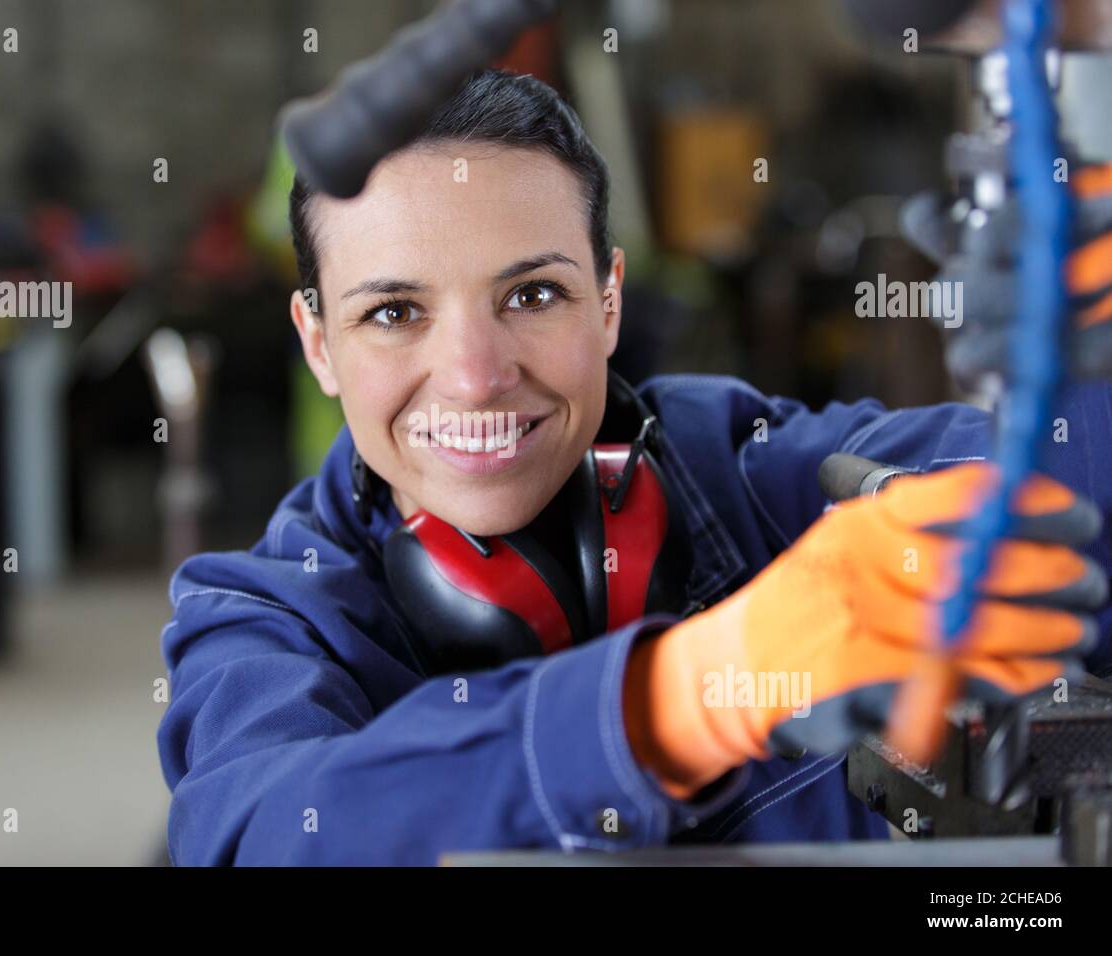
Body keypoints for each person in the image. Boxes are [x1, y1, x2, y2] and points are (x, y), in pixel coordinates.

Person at [156, 69, 1112, 865]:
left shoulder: (753, 472)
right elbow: (262, 833)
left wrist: (1091, 362)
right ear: (317, 344)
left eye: (532, 293)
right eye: (394, 313)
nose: (477, 377)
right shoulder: (266, 617)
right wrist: (677, 699)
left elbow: (1065, 506)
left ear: (609, 303)